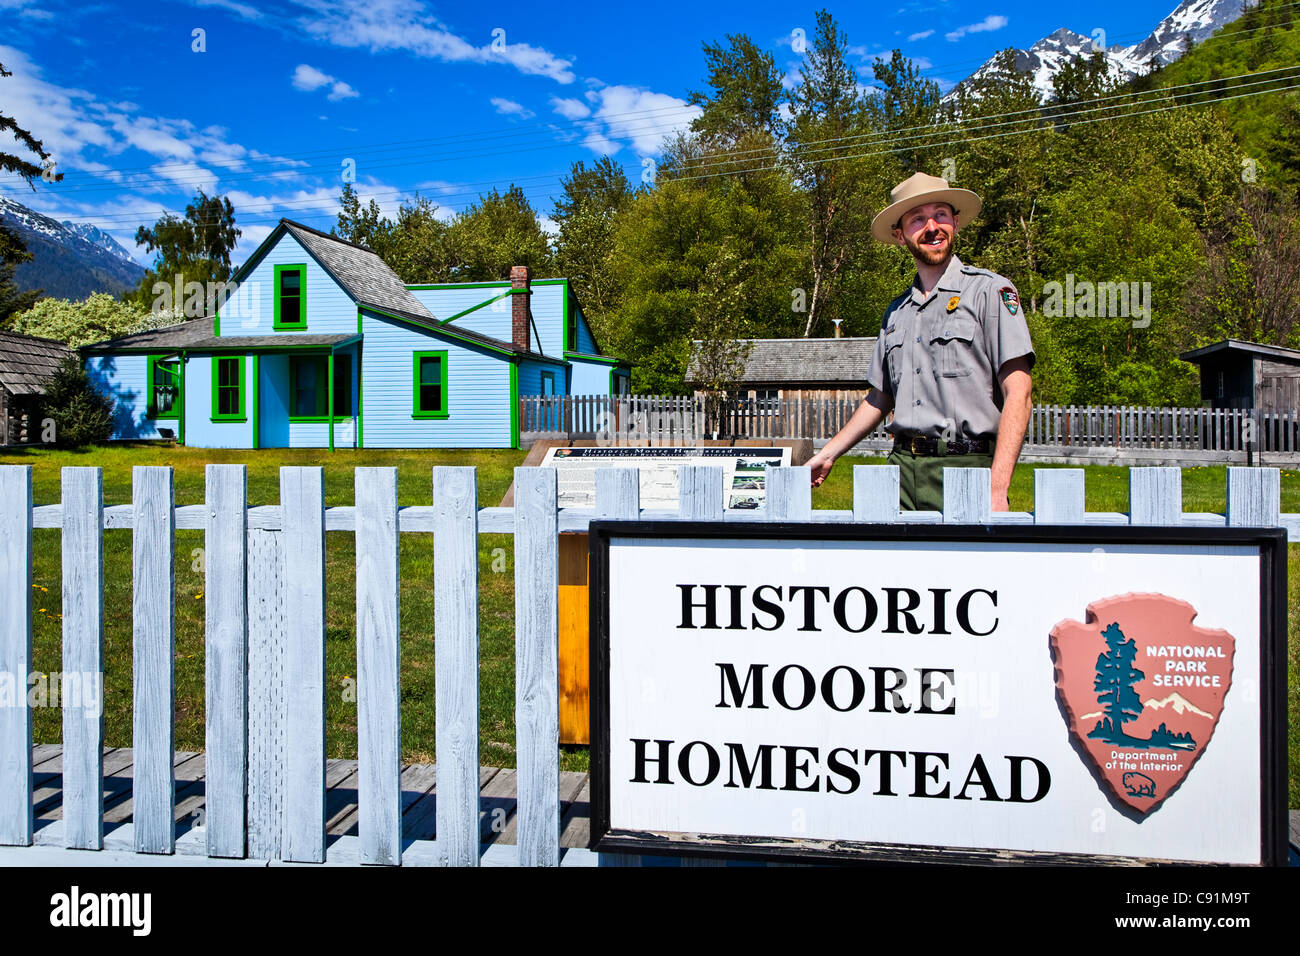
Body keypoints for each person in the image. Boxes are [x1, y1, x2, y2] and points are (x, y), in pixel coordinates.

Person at [807, 172, 1034, 511]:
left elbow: (1020, 393)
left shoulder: (990, 292)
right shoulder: (896, 312)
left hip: (966, 469)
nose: (932, 227)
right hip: (900, 474)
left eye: (940, 214)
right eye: (917, 219)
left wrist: (997, 488)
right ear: (900, 236)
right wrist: (828, 453)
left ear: (955, 222)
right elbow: (879, 398)